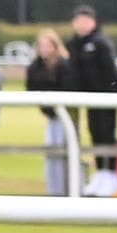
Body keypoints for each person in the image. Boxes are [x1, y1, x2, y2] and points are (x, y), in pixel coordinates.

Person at [66, 5, 117, 196]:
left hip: (105, 97)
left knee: (106, 135)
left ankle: (111, 175)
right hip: (88, 97)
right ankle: (100, 173)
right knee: (95, 135)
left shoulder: (100, 43)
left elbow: (111, 74)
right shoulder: (74, 44)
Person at [28, 29, 75, 195]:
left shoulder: (63, 64)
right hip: (51, 115)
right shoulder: (35, 66)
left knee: (62, 153)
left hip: (64, 116)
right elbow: (31, 87)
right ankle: (54, 190)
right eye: (42, 46)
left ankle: (65, 189)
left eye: (48, 45)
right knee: (51, 153)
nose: (44, 49)